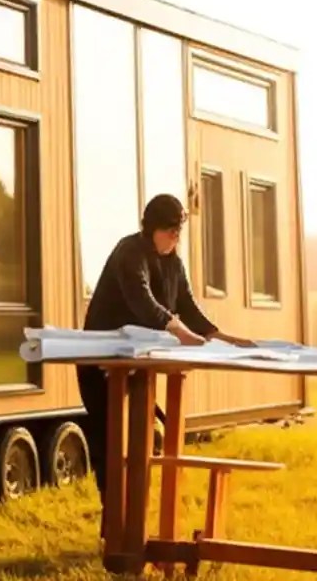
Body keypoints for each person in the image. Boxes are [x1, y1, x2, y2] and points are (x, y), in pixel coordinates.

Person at [77, 193, 254, 539]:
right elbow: (142, 301)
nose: (175, 238)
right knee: (108, 443)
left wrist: (222, 336)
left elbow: (185, 302)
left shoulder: (174, 261)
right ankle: (115, 526)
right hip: (101, 362)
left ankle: (133, 527)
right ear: (152, 228)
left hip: (141, 364)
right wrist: (178, 331)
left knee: (147, 441)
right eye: (170, 231)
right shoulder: (130, 253)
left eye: (179, 232)